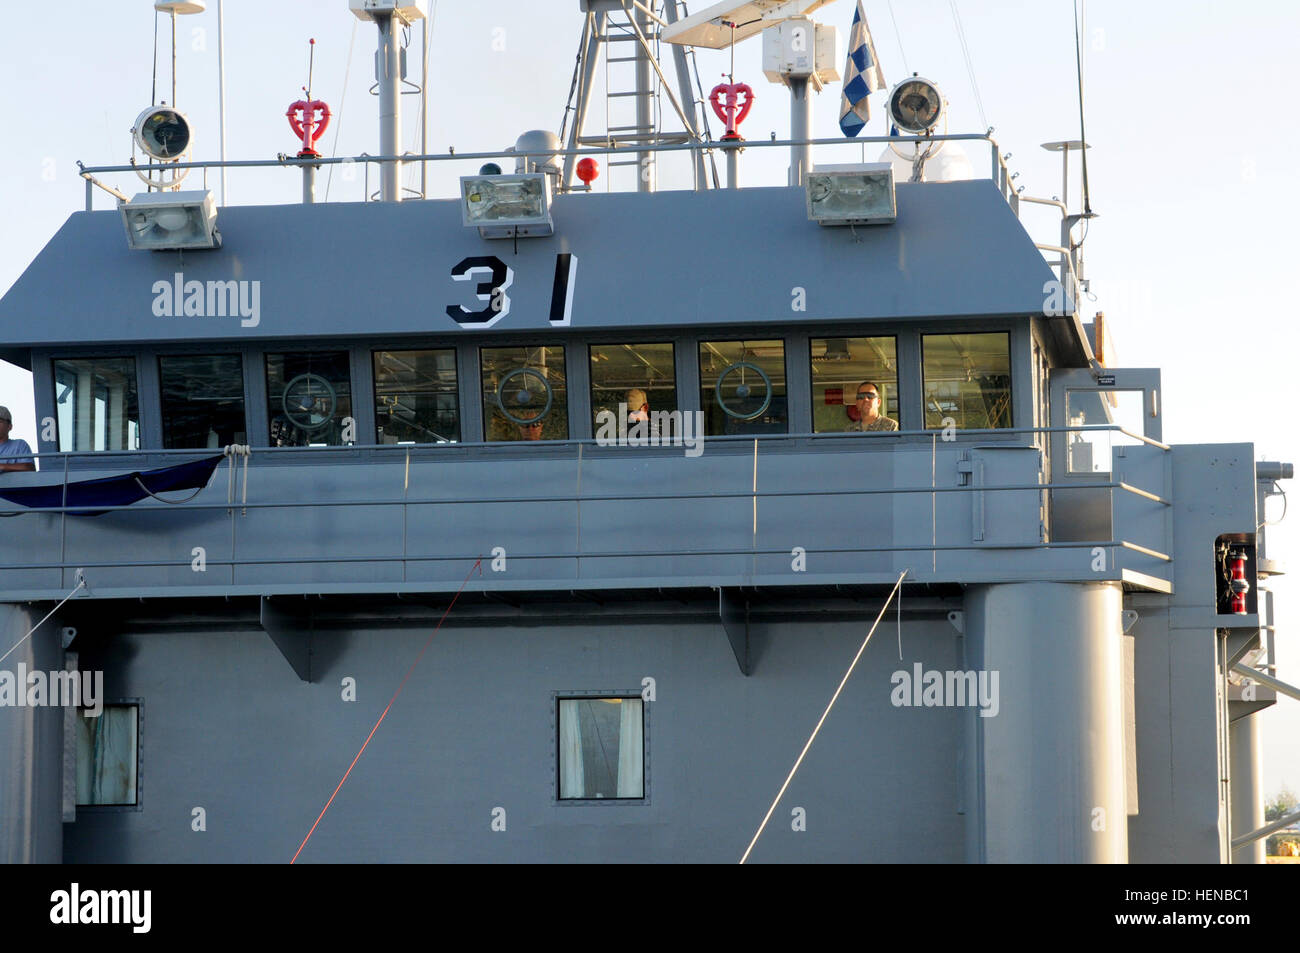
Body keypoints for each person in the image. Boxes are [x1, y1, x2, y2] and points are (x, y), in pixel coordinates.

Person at [0, 406, 35, 471]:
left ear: (9, 426)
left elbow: (29, 467)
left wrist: (2, 466)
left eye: (0, 421)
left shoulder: (19, 445)